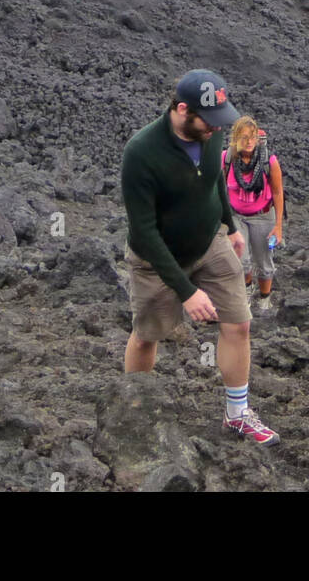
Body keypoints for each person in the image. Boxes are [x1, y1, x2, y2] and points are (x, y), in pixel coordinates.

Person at [120, 69, 278, 445]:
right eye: (209, 121)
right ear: (181, 110)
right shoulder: (141, 154)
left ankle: (237, 414)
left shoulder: (212, 132)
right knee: (146, 337)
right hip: (156, 260)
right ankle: (132, 410)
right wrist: (186, 291)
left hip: (210, 243)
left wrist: (231, 226)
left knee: (239, 323)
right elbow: (143, 231)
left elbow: (214, 181)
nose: (216, 129)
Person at [222, 116, 284, 310]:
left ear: (258, 138)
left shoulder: (269, 162)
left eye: (253, 137)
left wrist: (278, 226)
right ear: (235, 139)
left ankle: (265, 299)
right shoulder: (226, 159)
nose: (248, 142)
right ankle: (246, 292)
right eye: (244, 137)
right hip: (236, 216)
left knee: (264, 262)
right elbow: (216, 188)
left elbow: (277, 192)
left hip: (263, 216)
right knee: (241, 260)